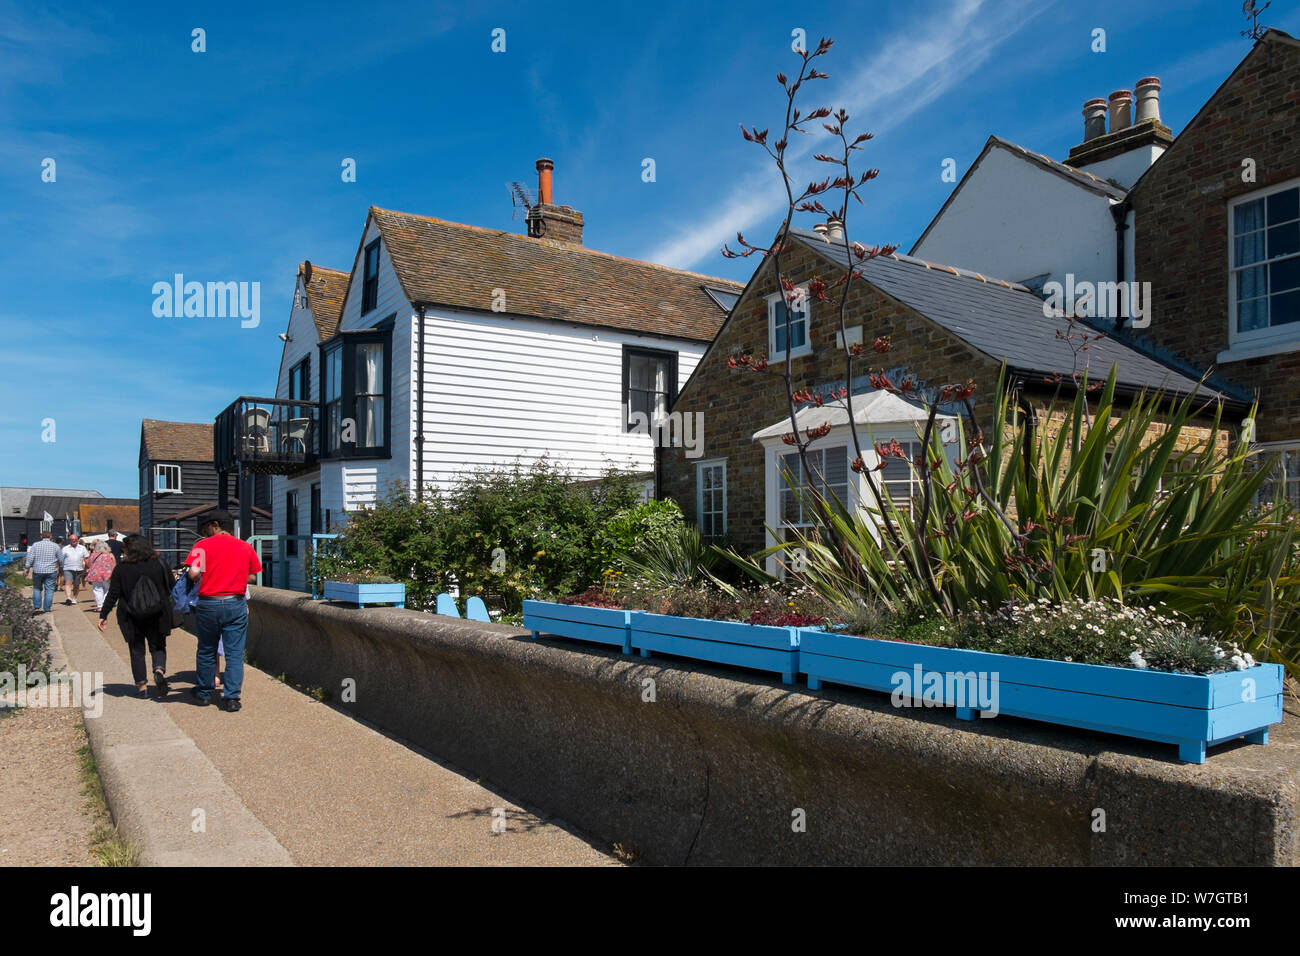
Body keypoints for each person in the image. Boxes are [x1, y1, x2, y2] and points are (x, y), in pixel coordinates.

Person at [184, 509, 261, 711]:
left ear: (215, 525)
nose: (205, 531)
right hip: (235, 603)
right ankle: (232, 698)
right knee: (234, 652)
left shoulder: (201, 546)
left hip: (208, 603)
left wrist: (204, 574)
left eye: (206, 527)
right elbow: (253, 577)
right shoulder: (245, 547)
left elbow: (192, 574)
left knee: (207, 650)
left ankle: (204, 693)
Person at [98, 535, 173, 699]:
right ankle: (159, 670)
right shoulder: (159, 563)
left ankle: (142, 687)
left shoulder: (122, 568)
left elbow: (113, 594)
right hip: (157, 612)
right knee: (158, 646)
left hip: (130, 615)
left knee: (136, 650)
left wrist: (104, 615)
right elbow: (171, 586)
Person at [23, 530, 61, 613]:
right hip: (51, 571)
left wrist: (27, 568)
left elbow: (30, 558)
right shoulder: (55, 546)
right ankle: (47, 608)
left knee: (37, 588)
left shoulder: (35, 545)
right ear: (50, 537)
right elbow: (60, 559)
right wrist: (61, 567)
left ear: (41, 537)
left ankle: (37, 606)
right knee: (49, 590)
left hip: (38, 570)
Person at [84, 540, 117, 612]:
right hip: (107, 575)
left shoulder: (93, 555)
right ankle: (105, 604)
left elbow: (89, 565)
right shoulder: (110, 555)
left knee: (97, 590)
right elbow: (114, 565)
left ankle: (100, 606)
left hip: (95, 575)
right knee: (108, 589)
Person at [59, 534, 89, 605]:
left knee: (76, 584)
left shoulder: (82, 548)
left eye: (75, 539)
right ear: (70, 540)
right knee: (68, 583)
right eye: (72, 540)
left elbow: (86, 558)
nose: (74, 541)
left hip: (78, 569)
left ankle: (74, 598)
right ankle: (68, 598)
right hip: (68, 568)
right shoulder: (65, 548)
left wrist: (87, 567)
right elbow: (61, 559)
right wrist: (61, 567)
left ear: (77, 540)